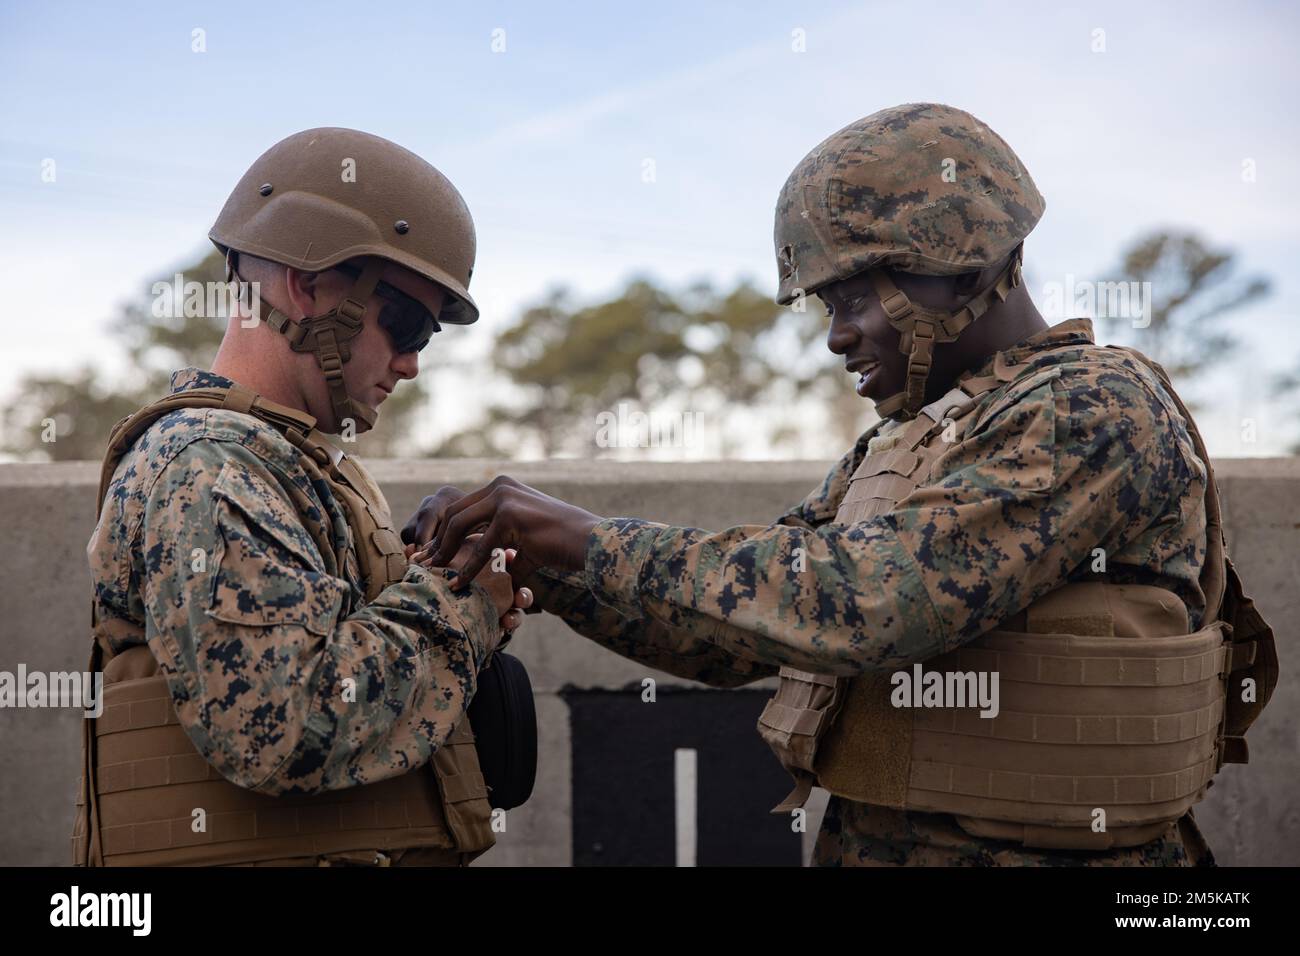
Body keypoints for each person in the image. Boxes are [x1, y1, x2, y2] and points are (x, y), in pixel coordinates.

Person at [411, 103, 1276, 867]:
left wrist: (584, 537)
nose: (836, 339)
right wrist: (536, 558)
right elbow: (739, 632)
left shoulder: (1094, 409)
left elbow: (867, 600)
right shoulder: (912, 440)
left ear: (966, 268)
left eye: (852, 300)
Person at [75, 127, 532, 868]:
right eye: (407, 323)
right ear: (307, 285)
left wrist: (427, 580)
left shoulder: (289, 468)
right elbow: (282, 724)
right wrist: (461, 604)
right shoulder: (211, 469)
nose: (412, 363)